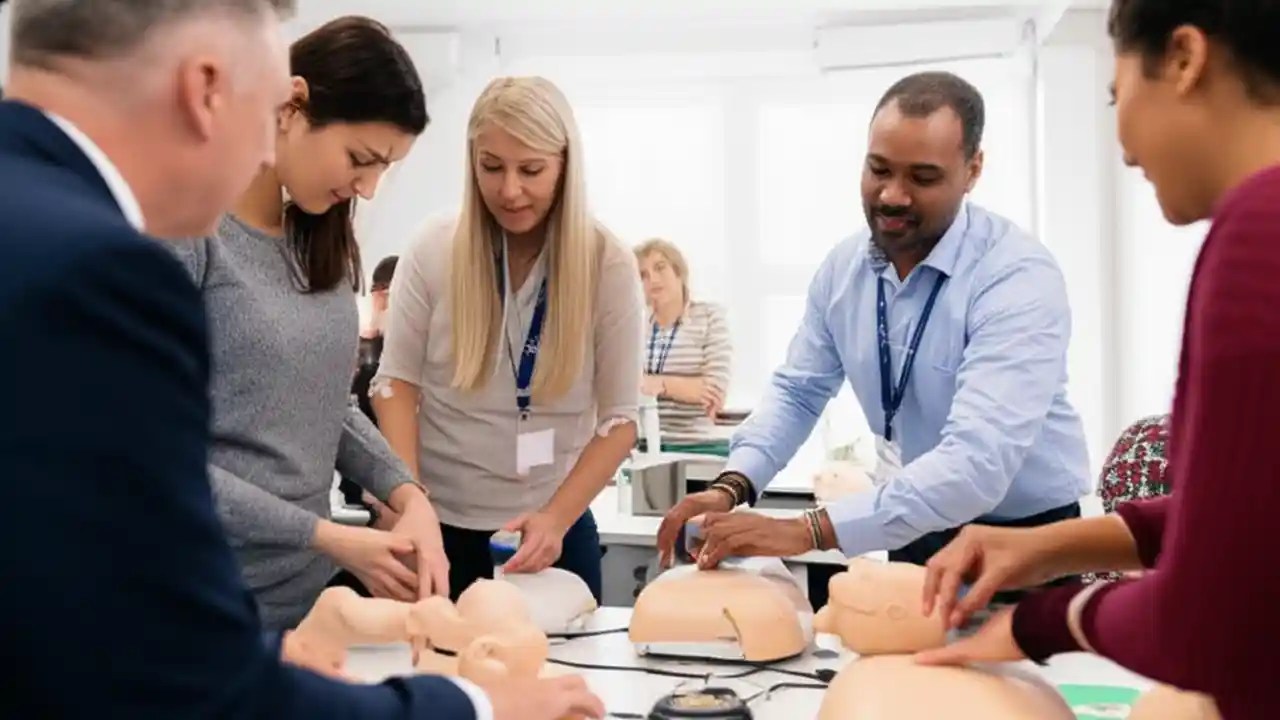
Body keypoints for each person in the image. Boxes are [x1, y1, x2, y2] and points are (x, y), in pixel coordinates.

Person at [0, 1, 603, 718]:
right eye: (264, 113)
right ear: (206, 89)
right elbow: (184, 665)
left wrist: (401, 492)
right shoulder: (96, 266)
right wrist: (474, 705)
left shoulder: (37, 214)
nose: (261, 153)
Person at [914, 2, 1280, 717]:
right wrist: (1052, 548)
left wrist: (1036, 622)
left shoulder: (1258, 237)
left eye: (1117, 95)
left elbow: (1205, 622)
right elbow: (1252, 515)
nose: (1124, 145)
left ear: (1183, 57)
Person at [657, 71, 1091, 589]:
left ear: (973, 169)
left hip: (1026, 538)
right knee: (907, 667)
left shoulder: (1016, 277)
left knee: (1018, 673)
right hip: (913, 522)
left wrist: (805, 531)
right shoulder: (845, 270)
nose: (892, 195)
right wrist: (734, 483)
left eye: (923, 178)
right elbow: (799, 392)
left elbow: (977, 462)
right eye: (878, 169)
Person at [170, 16, 451, 630]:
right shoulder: (188, 232)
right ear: (293, 104)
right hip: (199, 605)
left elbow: (324, 402)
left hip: (304, 607)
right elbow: (157, 455)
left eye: (385, 169)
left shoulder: (315, 240)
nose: (370, 189)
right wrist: (330, 538)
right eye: (361, 159)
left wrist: (408, 495)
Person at [372, 76, 643, 604]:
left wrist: (555, 518)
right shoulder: (434, 248)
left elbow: (619, 421)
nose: (510, 190)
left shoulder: (606, 264)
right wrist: (409, 501)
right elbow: (395, 384)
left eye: (531, 170)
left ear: (565, 166)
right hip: (438, 529)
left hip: (551, 531)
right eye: (491, 167)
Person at [635, 238, 732, 438]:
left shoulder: (710, 317)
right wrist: (684, 387)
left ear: (679, 272)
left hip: (696, 441)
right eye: (643, 275)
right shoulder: (636, 325)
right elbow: (623, 388)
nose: (652, 279)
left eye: (660, 268)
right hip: (645, 440)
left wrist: (659, 384)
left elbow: (712, 389)